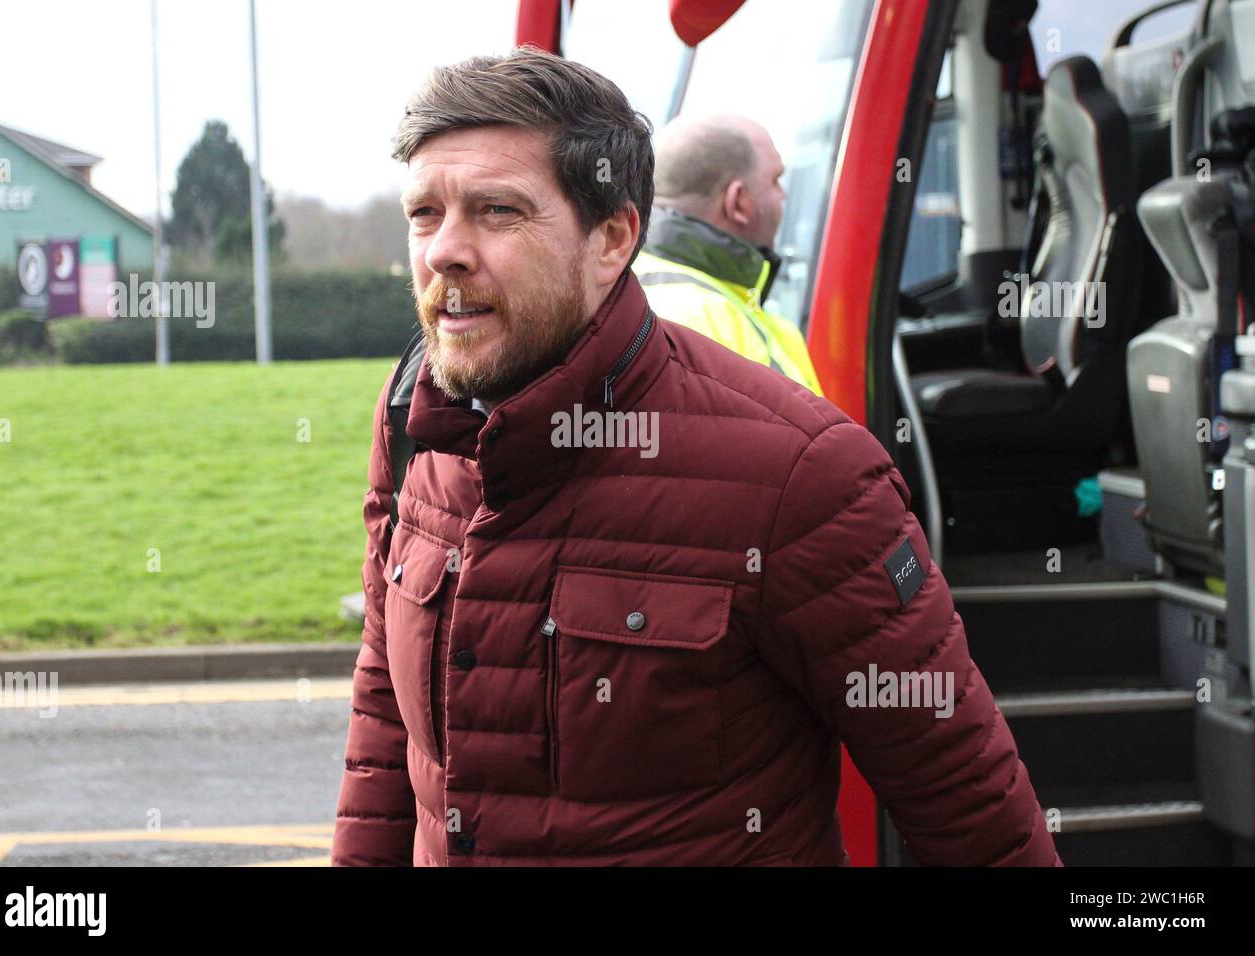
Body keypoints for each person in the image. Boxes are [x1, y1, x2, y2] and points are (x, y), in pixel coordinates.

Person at [330, 46, 1060, 867]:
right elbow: (383, 728)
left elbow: (969, 809)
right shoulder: (411, 427)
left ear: (613, 239)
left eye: (497, 211)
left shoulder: (803, 475)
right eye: (425, 213)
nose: (443, 252)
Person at [633, 113, 822, 395]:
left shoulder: (634, 283)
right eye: (775, 181)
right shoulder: (699, 318)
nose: (783, 195)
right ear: (738, 203)